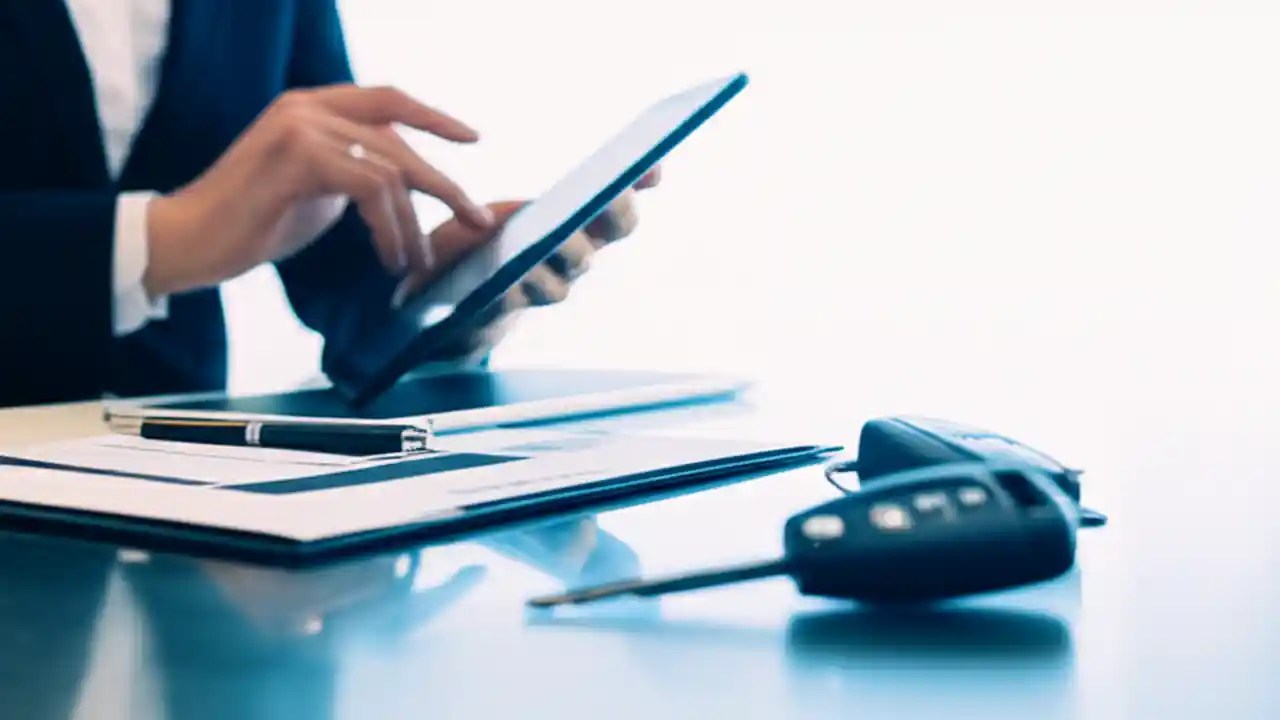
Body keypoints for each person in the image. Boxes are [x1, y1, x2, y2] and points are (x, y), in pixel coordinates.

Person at [0, 0, 657, 408]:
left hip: (169, 490)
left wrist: (440, 293)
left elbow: (333, 255)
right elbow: (204, 224)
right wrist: (160, 240)